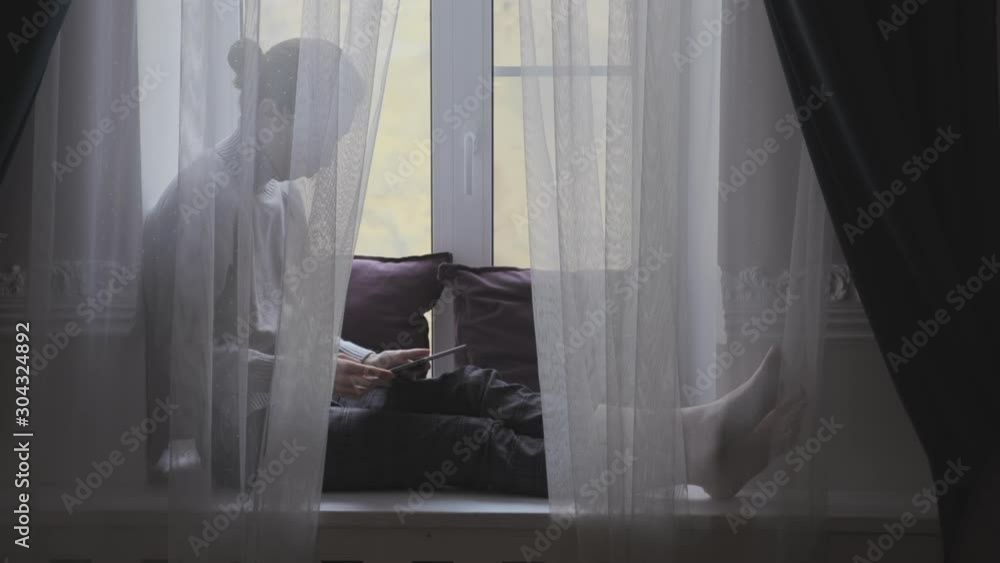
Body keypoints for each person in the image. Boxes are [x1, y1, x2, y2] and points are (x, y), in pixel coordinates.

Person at [144, 37, 806, 499]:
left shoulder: (281, 196)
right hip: (248, 441)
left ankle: (688, 430)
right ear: (269, 114)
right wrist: (315, 373)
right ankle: (689, 458)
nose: (328, 155)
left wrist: (363, 355)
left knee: (482, 390)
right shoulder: (202, 205)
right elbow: (190, 366)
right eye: (323, 134)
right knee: (470, 441)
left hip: (298, 398)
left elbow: (283, 328)